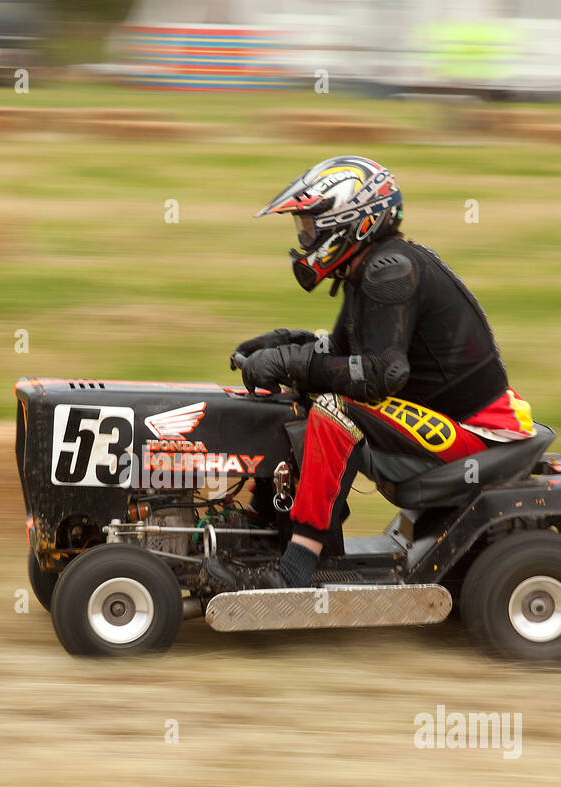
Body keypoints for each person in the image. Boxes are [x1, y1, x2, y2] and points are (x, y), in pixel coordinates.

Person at [203, 155, 535, 592]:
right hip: (447, 419)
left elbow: (381, 375)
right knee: (300, 397)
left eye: (310, 226)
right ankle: (264, 521)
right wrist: (282, 345)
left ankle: (295, 570)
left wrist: (291, 361)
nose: (304, 237)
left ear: (350, 222)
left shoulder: (389, 271)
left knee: (333, 411)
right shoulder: (372, 268)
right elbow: (342, 355)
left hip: (479, 431)